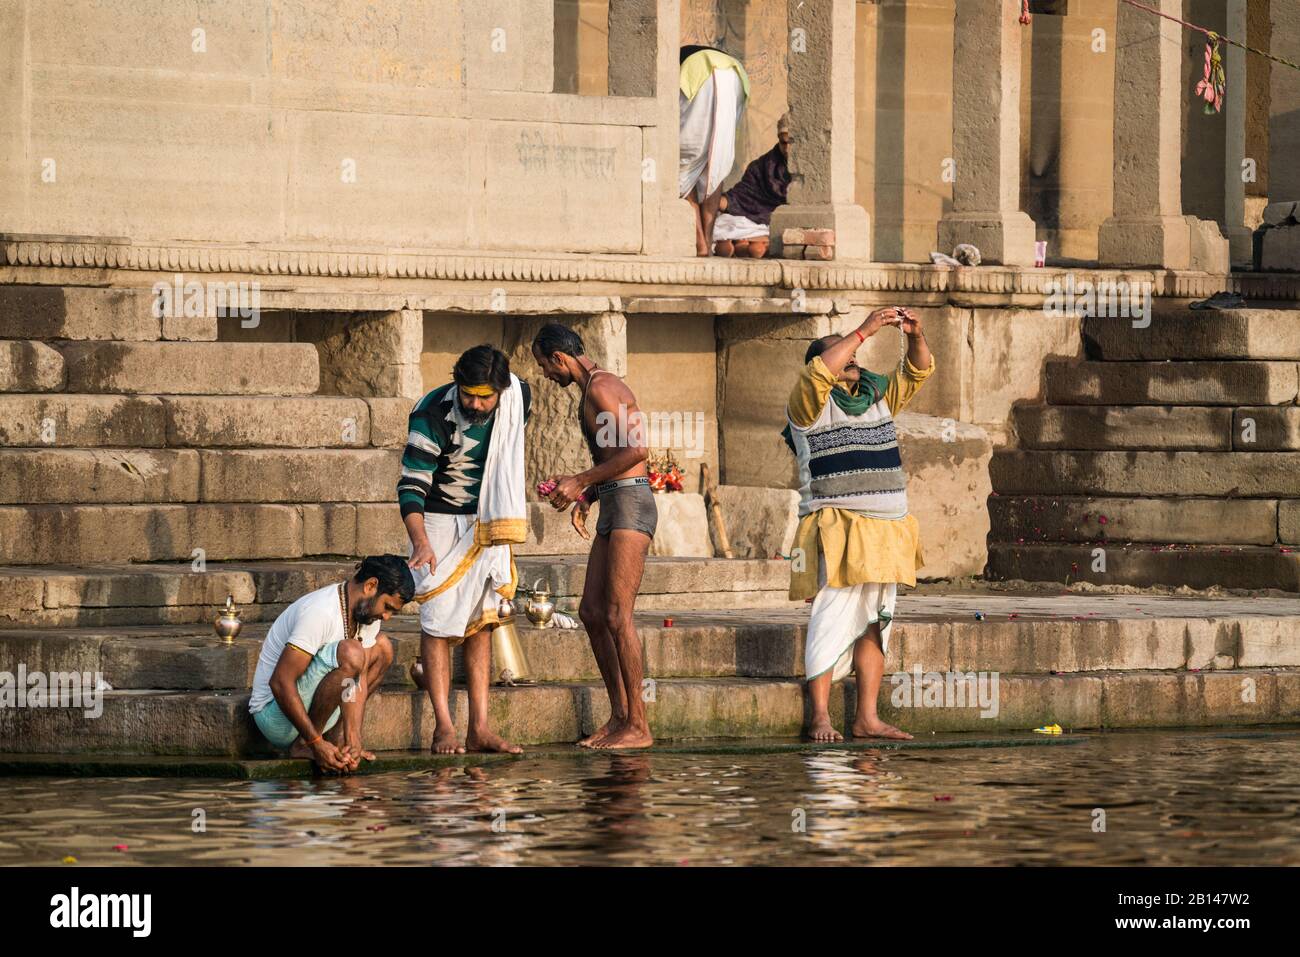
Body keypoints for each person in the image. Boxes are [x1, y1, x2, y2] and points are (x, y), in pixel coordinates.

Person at [783, 307, 935, 743]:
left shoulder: (877, 395)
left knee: (875, 622)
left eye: (852, 352)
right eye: (841, 354)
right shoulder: (807, 406)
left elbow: (917, 371)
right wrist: (864, 330)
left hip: (887, 530)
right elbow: (817, 375)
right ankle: (819, 718)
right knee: (830, 619)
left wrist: (916, 335)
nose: (853, 357)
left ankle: (866, 717)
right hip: (838, 526)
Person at [398, 345, 531, 756]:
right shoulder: (431, 413)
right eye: (468, 394)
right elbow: (411, 487)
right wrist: (421, 541)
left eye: (484, 397)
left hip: (489, 516)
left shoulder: (517, 399)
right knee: (437, 621)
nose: (475, 403)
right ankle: (443, 727)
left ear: (501, 390)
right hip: (437, 520)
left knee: (482, 621)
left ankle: (480, 728)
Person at [530, 323, 655, 750]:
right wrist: (588, 493)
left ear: (559, 358)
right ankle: (620, 716)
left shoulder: (601, 388)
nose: (546, 376)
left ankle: (639, 725)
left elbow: (637, 451)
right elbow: (615, 455)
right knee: (590, 612)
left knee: (618, 615)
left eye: (545, 367)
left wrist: (581, 478)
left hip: (632, 505)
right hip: (614, 500)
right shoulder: (594, 388)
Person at [248, 555, 412, 772]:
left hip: (311, 710)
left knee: (382, 648)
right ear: (371, 585)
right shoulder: (320, 611)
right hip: (275, 718)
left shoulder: (367, 614)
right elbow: (280, 682)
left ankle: (337, 740)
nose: (387, 616)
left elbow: (358, 677)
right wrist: (315, 743)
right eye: (387, 607)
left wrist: (353, 739)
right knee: (352, 653)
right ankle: (306, 743)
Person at [679, 44, 750, 257]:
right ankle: (707, 242)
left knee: (682, 164)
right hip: (736, 74)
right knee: (715, 163)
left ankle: (700, 242)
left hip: (698, 72)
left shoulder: (669, 60)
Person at [712, 113, 791, 258]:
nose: (787, 148)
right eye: (783, 143)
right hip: (752, 218)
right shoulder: (762, 165)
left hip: (781, 222)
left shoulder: (810, 170)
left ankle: (753, 245)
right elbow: (742, 195)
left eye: (791, 142)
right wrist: (713, 201)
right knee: (724, 229)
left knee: (757, 248)